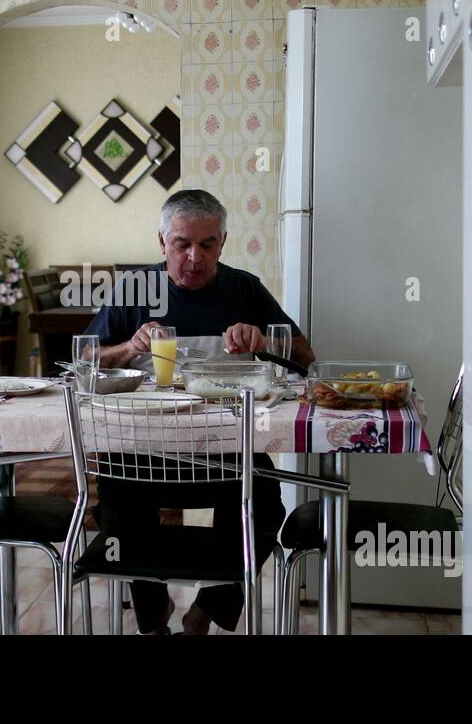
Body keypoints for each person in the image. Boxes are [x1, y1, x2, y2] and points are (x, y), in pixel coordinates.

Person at [85, 189, 316, 634]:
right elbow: (86, 360)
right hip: (142, 452)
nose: (195, 256)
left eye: (207, 244)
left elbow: (309, 359)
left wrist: (265, 342)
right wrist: (128, 346)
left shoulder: (245, 288)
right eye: (182, 244)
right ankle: (152, 615)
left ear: (223, 243)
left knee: (265, 507)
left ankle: (208, 610)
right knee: (115, 506)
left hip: (225, 454)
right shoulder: (135, 289)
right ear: (161, 242)